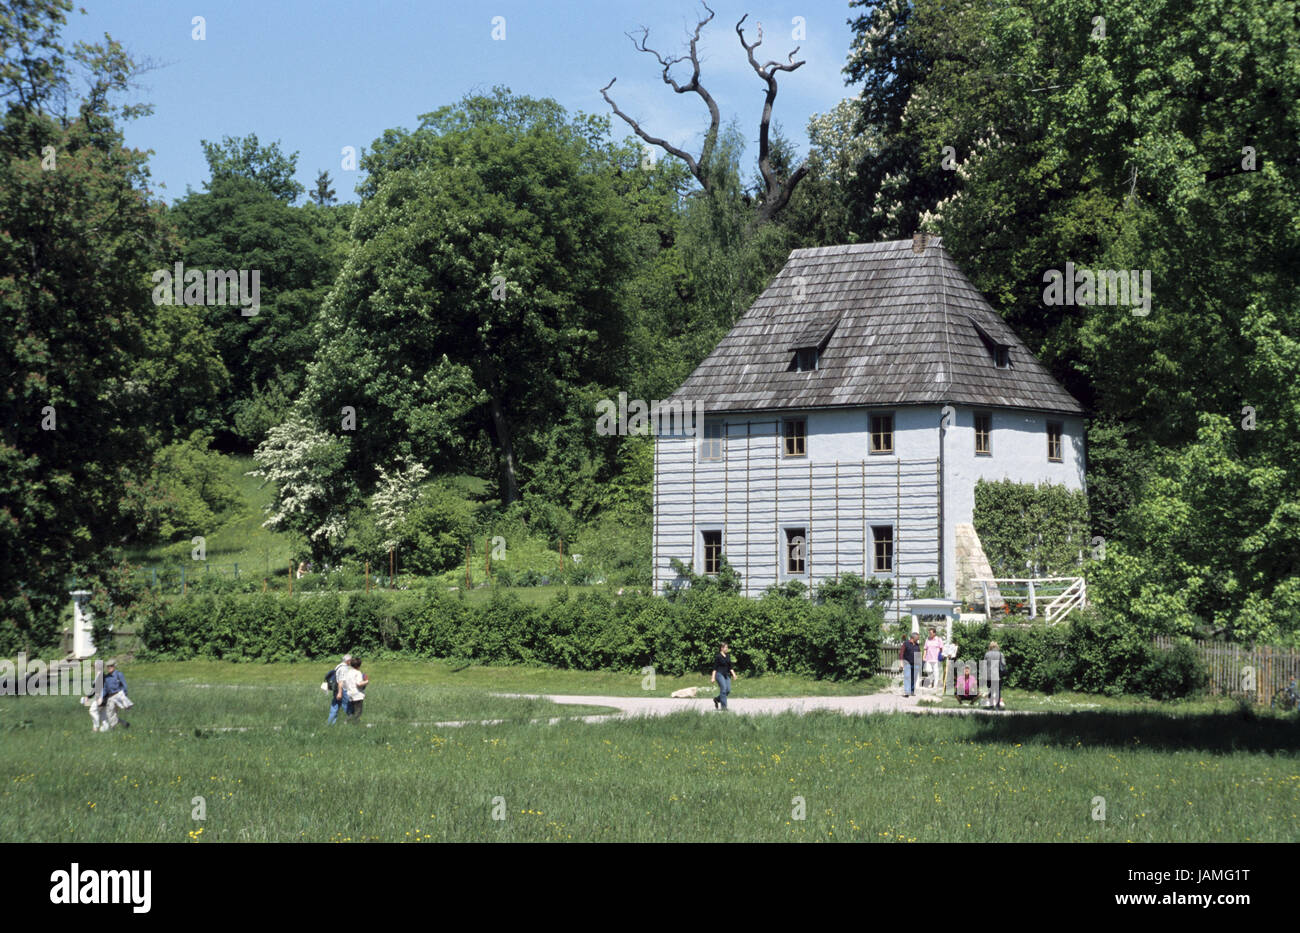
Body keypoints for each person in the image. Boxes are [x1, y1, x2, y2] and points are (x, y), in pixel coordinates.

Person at [89, 658, 132, 732]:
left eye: (111, 666)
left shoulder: (118, 674)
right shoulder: (107, 677)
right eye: (108, 666)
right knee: (110, 715)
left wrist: (124, 696)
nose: (109, 667)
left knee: (110, 714)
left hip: (118, 696)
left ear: (114, 666)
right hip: (109, 697)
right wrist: (101, 697)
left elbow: (124, 685)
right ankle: (120, 725)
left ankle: (111, 729)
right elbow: (105, 688)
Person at [339, 657, 370, 723]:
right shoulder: (358, 673)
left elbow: (344, 684)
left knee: (353, 710)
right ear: (359, 665)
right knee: (358, 711)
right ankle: (352, 722)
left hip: (350, 694)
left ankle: (349, 721)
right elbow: (359, 684)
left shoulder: (348, 672)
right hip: (357, 694)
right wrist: (366, 681)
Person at [327, 653, 352, 725]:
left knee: (335, 705)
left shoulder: (339, 666)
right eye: (351, 661)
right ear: (348, 661)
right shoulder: (344, 668)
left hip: (337, 689)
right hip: (342, 690)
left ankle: (330, 723)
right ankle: (353, 722)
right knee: (348, 706)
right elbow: (341, 681)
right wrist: (340, 693)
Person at [711, 642, 736, 710]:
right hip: (719, 674)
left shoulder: (728, 656)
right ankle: (724, 707)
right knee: (723, 689)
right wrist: (713, 677)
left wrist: (733, 674)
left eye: (727, 647)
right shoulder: (718, 656)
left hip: (726, 675)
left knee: (728, 690)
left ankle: (716, 699)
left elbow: (730, 666)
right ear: (721, 648)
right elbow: (715, 668)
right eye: (726, 647)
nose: (727, 649)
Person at [983, 641, 1006, 709]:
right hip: (997, 675)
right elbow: (1003, 664)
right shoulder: (1000, 654)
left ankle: (991, 705)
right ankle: (997, 706)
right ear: (997, 646)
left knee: (990, 690)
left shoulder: (987, 654)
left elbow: (984, 665)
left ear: (990, 646)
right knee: (998, 690)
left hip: (988, 675)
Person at [900, 632, 920, 697]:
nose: (918, 638)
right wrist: (901, 663)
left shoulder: (917, 645)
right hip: (907, 663)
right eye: (917, 637)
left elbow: (918, 654)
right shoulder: (906, 644)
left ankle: (912, 691)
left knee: (914, 678)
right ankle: (906, 692)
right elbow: (901, 653)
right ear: (913, 638)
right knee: (907, 677)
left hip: (915, 664)